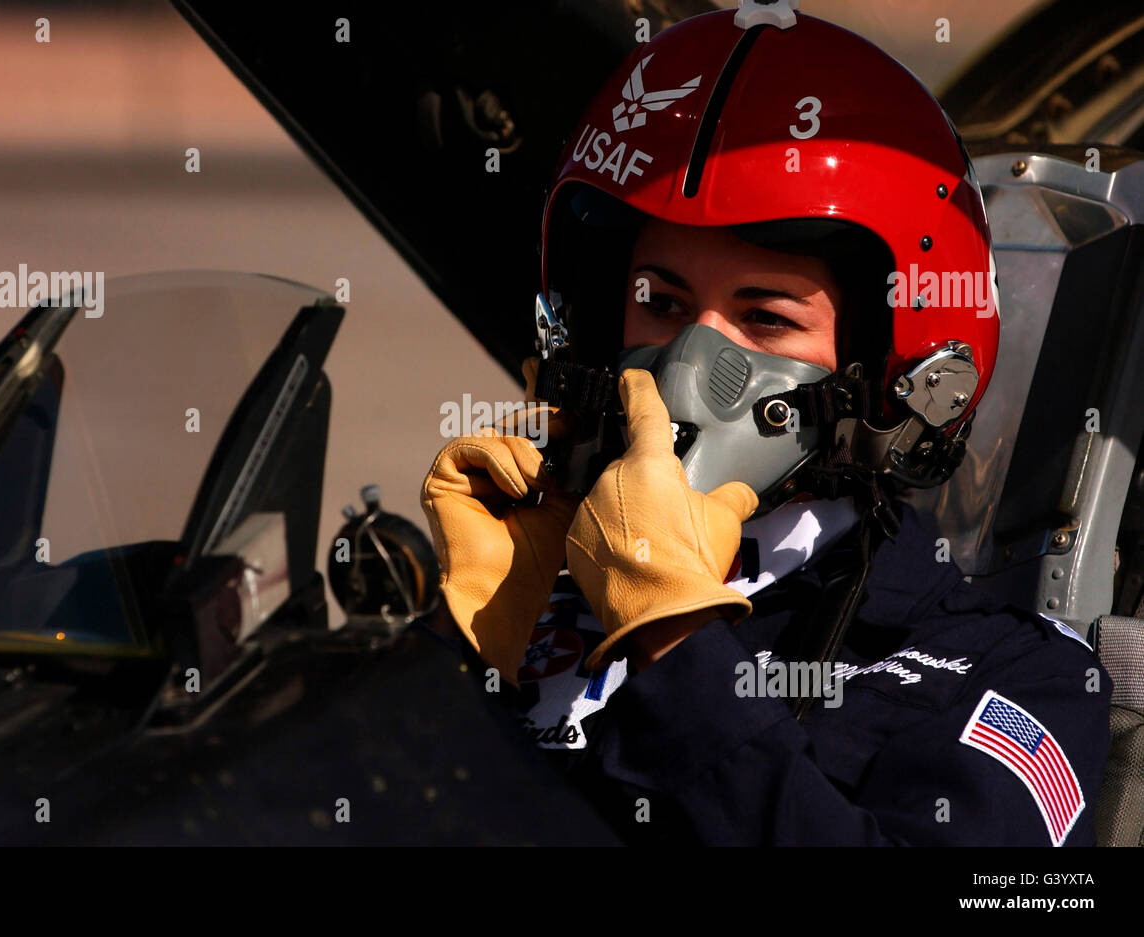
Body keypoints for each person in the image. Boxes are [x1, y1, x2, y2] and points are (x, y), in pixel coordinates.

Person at [420, 4, 1111, 845]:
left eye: (767, 317)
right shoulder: (538, 590)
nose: (687, 365)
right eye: (661, 303)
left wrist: (673, 639)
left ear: (895, 369)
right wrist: (449, 657)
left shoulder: (1012, 675)